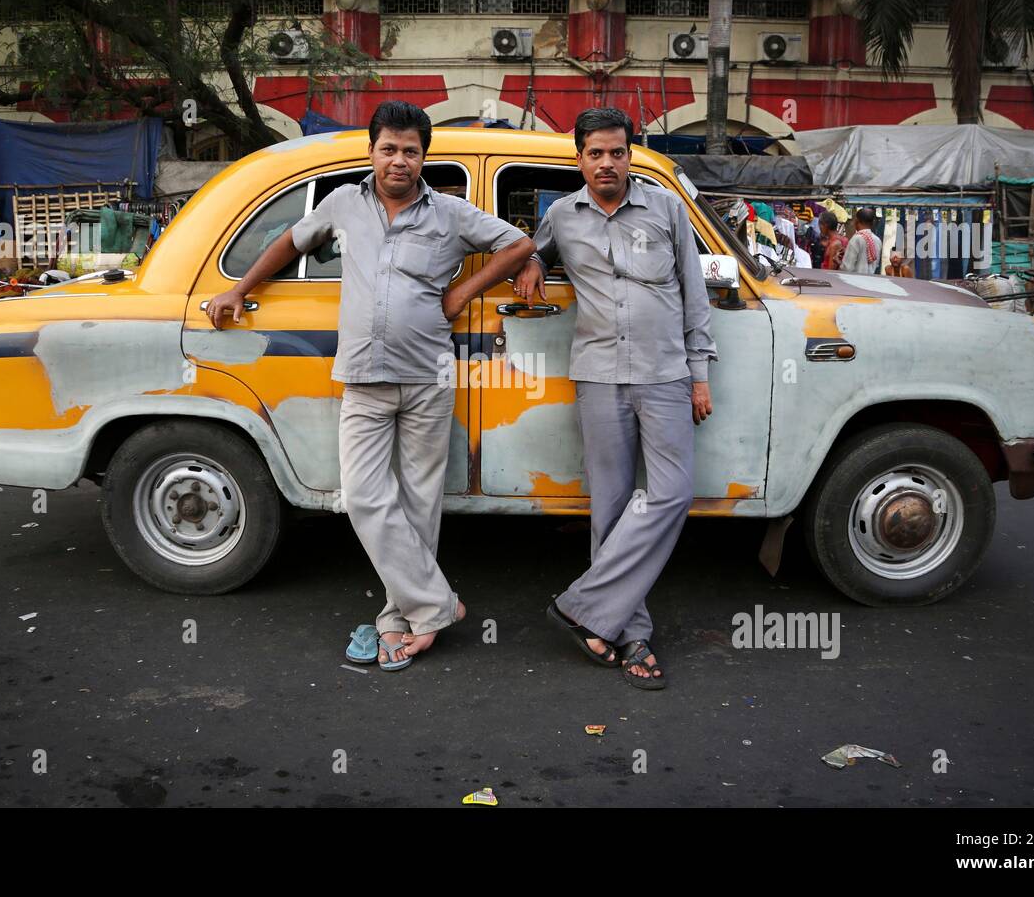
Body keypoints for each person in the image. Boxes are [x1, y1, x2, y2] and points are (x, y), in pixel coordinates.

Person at [205, 101, 536, 671]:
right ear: (372, 151)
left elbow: (519, 243)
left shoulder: (451, 213)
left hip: (428, 376)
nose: (399, 161)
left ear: (424, 156)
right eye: (389, 149)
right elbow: (292, 241)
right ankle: (436, 605)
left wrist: (464, 292)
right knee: (361, 498)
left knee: (419, 502)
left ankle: (397, 618)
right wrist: (241, 288)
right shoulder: (342, 204)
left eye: (411, 151)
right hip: (362, 377)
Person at [513, 107, 717, 690]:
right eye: (596, 153)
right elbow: (532, 249)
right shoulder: (562, 215)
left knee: (672, 493)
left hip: (665, 373)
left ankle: (582, 607)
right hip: (599, 374)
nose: (607, 163)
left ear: (630, 154)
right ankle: (631, 635)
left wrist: (699, 373)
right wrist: (532, 260)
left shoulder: (667, 208)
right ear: (579, 158)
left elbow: (694, 295)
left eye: (617, 152)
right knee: (610, 505)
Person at [841, 207, 883, 275]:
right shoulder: (877, 240)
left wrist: (838, 262)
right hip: (870, 281)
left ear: (856, 221)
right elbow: (876, 265)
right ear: (873, 222)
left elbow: (846, 267)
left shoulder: (856, 239)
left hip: (854, 281)